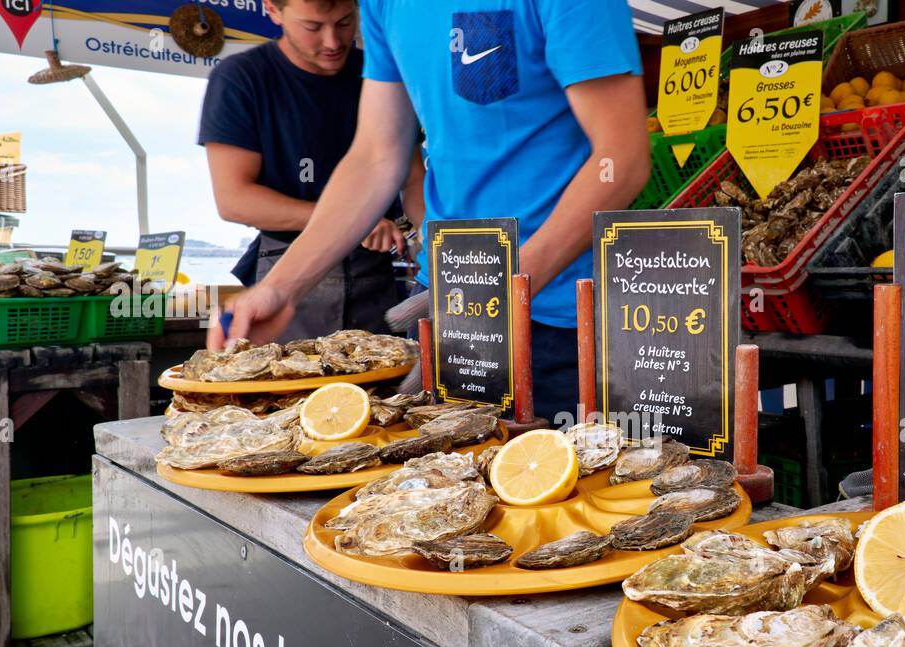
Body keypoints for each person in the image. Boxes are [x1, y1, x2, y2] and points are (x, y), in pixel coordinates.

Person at [208, 0, 651, 422]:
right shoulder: (384, 5)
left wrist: (502, 290)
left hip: (564, 319)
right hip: (448, 308)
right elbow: (375, 158)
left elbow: (621, 160)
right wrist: (282, 287)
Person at [198, 0, 418, 340]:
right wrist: (356, 221)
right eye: (313, 27)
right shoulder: (242, 78)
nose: (332, 42)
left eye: (345, 22)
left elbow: (412, 176)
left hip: (376, 276)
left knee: (382, 386)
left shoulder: (379, 73)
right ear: (272, 10)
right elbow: (234, 200)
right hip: (285, 263)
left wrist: (434, 249)